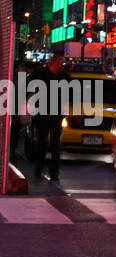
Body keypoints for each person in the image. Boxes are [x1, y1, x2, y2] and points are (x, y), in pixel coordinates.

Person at [29, 53, 73, 182]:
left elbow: (71, 95)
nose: (62, 65)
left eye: (63, 62)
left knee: (55, 145)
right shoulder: (40, 74)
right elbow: (29, 89)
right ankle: (39, 170)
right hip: (42, 114)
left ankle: (54, 173)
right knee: (41, 143)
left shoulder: (65, 77)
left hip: (57, 115)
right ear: (54, 62)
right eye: (61, 62)